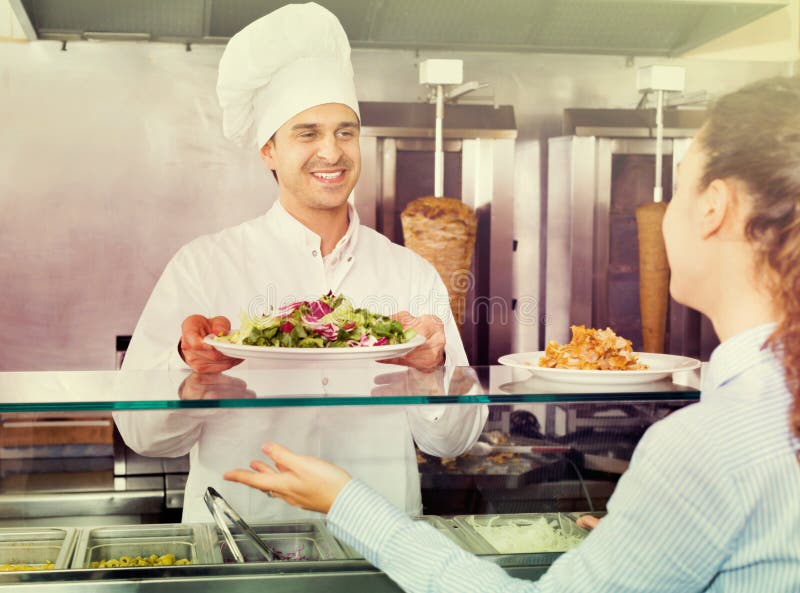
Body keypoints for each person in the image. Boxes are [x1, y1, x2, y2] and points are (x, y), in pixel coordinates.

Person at [225, 77, 800, 591]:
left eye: (678, 187)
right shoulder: (762, 416)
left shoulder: (705, 446)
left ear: (714, 208)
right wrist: (642, 542)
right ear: (270, 152)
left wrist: (345, 501)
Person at [115, 2, 486, 522]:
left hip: (377, 550)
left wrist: (431, 373)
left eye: (345, 131)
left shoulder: (408, 273)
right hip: (242, 551)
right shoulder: (204, 266)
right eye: (306, 133)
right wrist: (192, 372)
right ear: (268, 150)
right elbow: (142, 435)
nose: (331, 152)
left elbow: (455, 438)